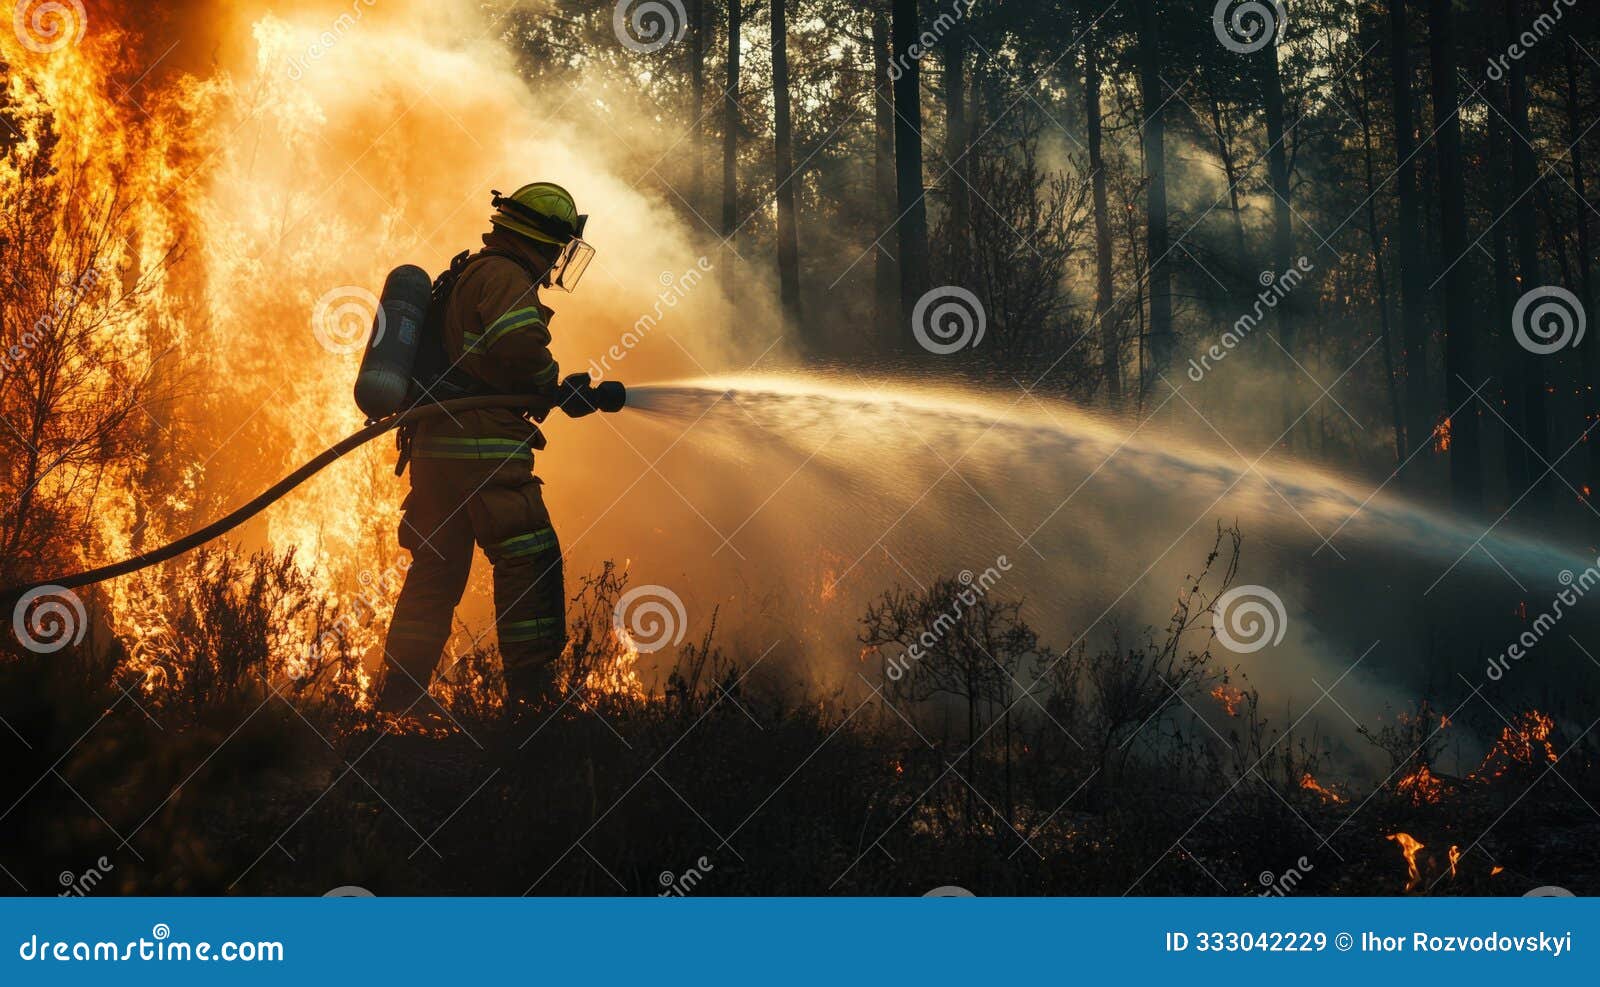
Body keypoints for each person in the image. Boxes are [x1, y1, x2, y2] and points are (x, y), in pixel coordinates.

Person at [376, 182, 595, 716]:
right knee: (529, 555)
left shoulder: (474, 272)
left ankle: (400, 697)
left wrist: (553, 391)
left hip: (436, 448)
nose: (556, 259)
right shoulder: (504, 275)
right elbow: (518, 345)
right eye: (557, 246)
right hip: (483, 447)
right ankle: (531, 692)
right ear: (540, 240)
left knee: (437, 568)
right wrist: (552, 383)